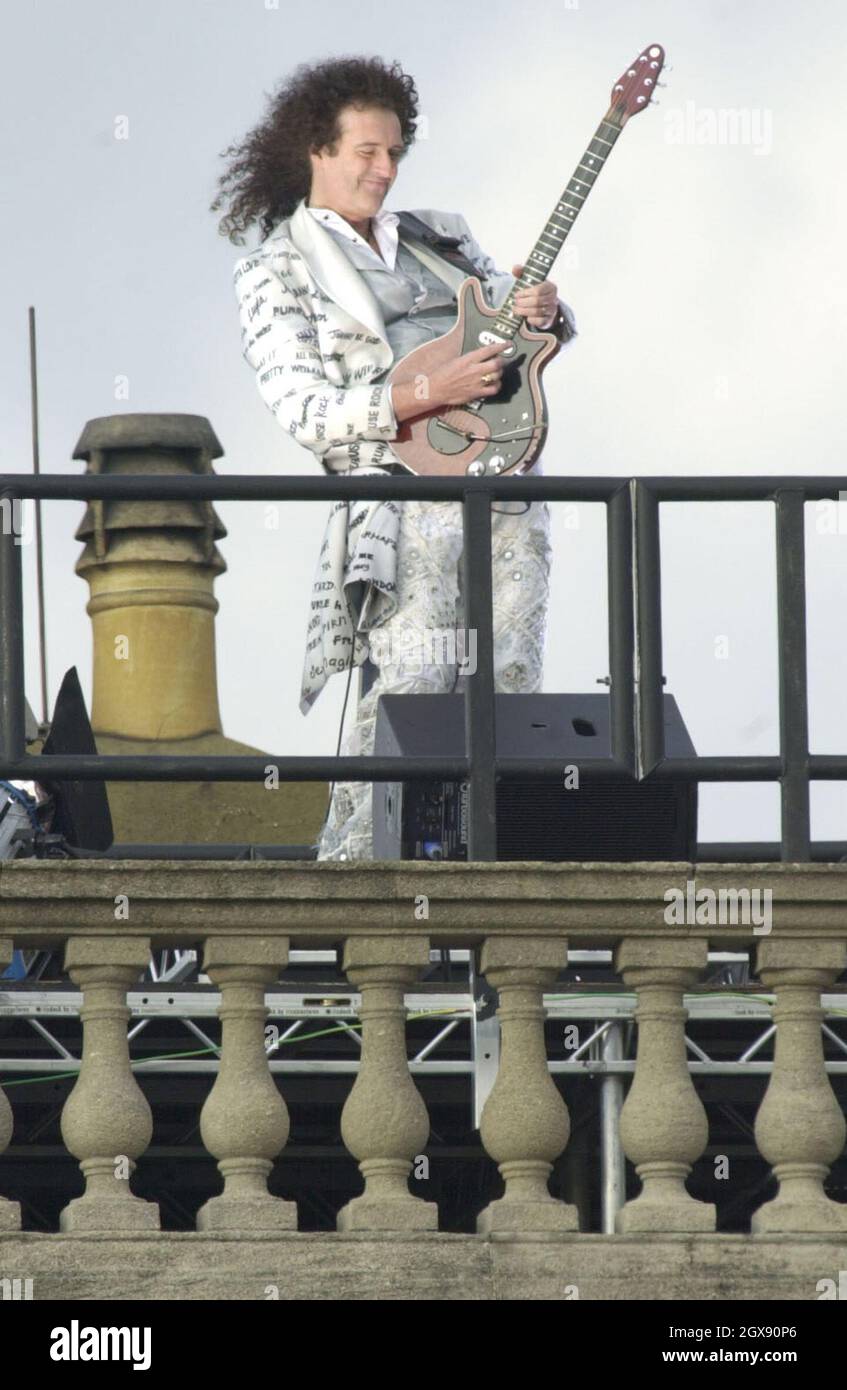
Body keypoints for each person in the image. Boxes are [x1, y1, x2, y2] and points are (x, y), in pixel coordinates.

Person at [212, 55, 577, 859]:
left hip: (506, 486)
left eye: (395, 152)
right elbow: (304, 412)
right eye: (367, 152)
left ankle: (504, 858)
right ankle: (358, 870)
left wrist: (544, 308)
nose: (385, 169)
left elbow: (522, 332)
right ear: (317, 149)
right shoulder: (276, 269)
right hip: (399, 501)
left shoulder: (441, 235)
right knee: (408, 691)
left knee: (512, 682)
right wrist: (420, 393)